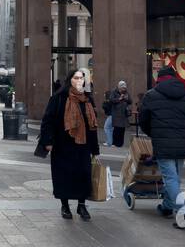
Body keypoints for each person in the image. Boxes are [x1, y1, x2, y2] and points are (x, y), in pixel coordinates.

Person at [138, 66, 185, 226]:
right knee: (175, 178)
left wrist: (155, 134)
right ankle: (167, 207)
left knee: (170, 178)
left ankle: (183, 211)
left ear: (159, 79)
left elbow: (143, 121)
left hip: (163, 142)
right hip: (183, 143)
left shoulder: (151, 95)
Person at [40, 69, 100, 221]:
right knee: (64, 176)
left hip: (83, 145)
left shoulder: (87, 99)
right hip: (62, 145)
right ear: (70, 80)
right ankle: (65, 206)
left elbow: (92, 125)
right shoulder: (59, 98)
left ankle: (82, 205)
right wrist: (48, 142)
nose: (79, 80)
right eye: (76, 77)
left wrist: (95, 149)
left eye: (81, 78)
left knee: (83, 174)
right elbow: (48, 120)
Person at [110, 80, 131, 148]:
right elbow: (111, 100)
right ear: (119, 87)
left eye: (124, 88)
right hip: (116, 114)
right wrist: (119, 98)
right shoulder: (114, 92)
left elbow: (130, 101)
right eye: (122, 88)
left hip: (123, 114)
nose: (123, 89)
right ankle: (114, 143)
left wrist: (125, 99)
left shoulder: (126, 93)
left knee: (122, 129)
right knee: (116, 129)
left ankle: (120, 144)